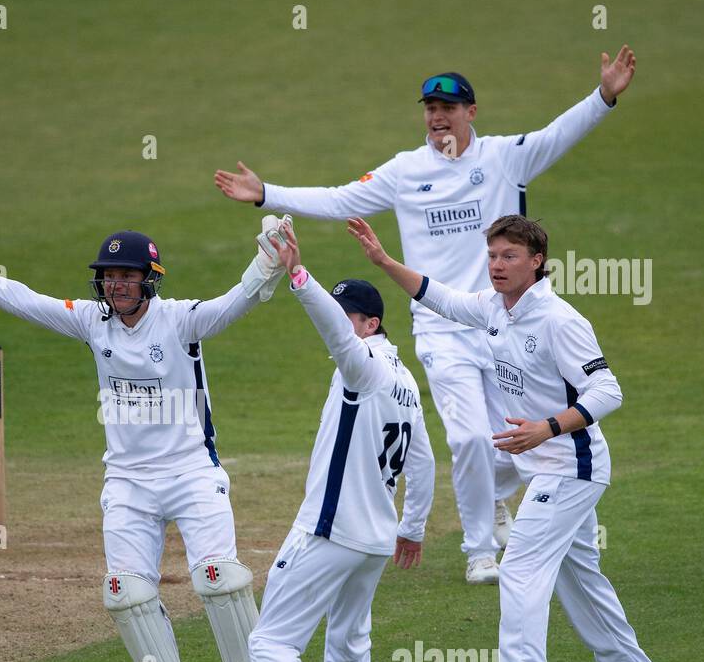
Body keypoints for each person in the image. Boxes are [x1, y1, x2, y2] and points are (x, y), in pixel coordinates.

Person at [215, 48, 638, 586]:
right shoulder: (405, 170)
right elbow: (342, 196)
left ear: (472, 112)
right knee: (465, 441)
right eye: (430, 107)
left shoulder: (504, 158)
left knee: (503, 442)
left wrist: (604, 96)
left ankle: (497, 497)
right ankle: (479, 550)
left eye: (449, 106)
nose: (438, 116)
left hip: (504, 321)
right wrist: (267, 194)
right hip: (441, 324)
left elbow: (559, 134)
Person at [0, 207, 290, 662]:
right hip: (128, 481)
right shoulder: (93, 322)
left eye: (127, 276)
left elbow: (234, 303)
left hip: (191, 473)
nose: (117, 286)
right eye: (109, 277)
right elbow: (24, 300)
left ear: (149, 280)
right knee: (125, 593)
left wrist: (267, 261)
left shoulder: (181, 320)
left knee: (218, 578)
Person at [349, 213, 662, 662]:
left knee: (518, 571)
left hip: (569, 467)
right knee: (579, 577)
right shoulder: (496, 309)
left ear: (536, 262)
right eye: (492, 256)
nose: (497, 265)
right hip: (550, 469)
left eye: (509, 257)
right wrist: (383, 261)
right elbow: (441, 298)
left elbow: (608, 391)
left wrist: (546, 428)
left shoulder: (559, 320)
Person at [247, 223, 434, 662]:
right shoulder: (405, 380)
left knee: (271, 643)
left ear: (371, 324)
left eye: (347, 311)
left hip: (330, 532)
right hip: (376, 539)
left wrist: (298, 274)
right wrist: (413, 527)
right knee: (349, 640)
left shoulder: (365, 365)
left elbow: (334, 333)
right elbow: (423, 461)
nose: (339, 318)